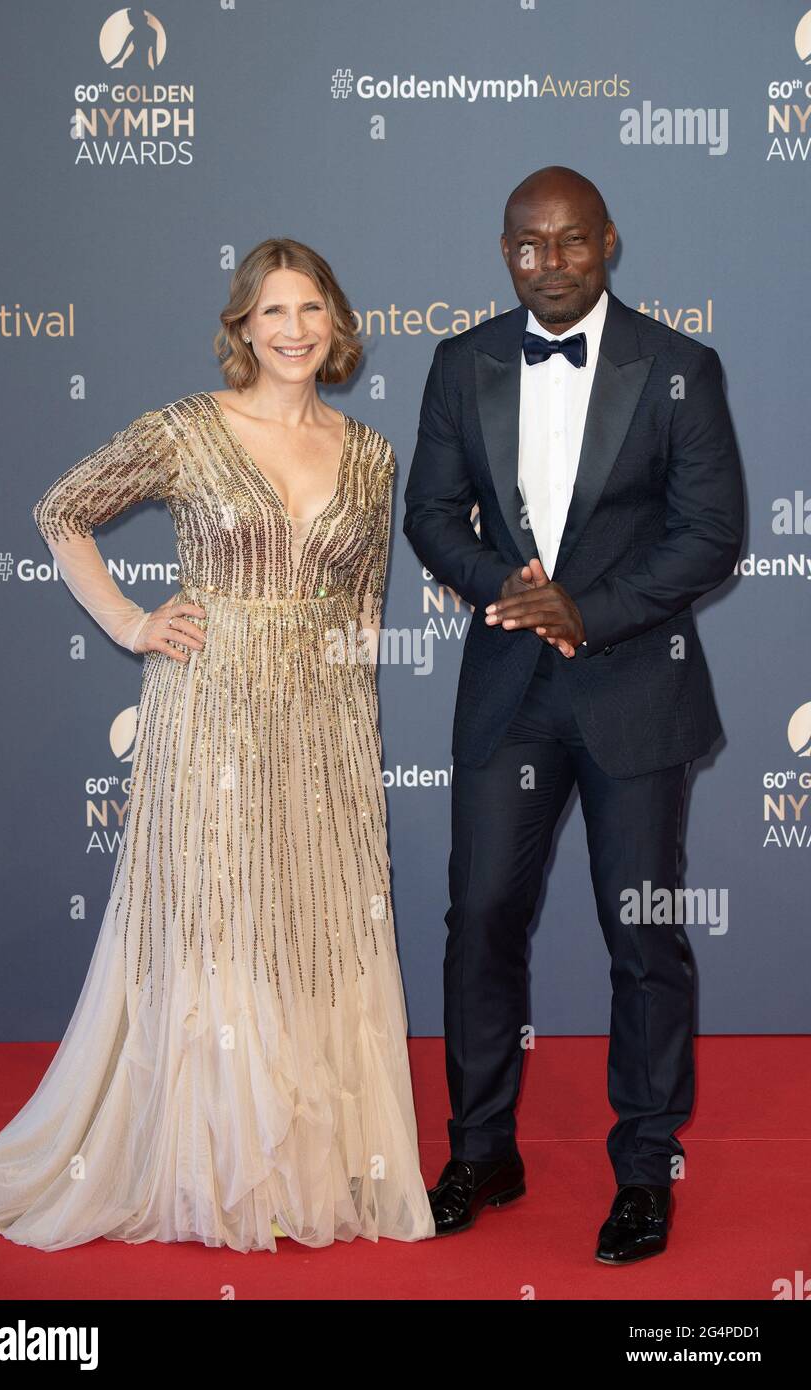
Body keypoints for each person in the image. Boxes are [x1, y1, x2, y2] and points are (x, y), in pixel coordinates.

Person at [0, 238, 434, 1253]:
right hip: (207, 703)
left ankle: (307, 1163)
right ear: (242, 328)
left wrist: (355, 735)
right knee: (218, 912)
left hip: (324, 720)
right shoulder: (187, 428)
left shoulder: (372, 453)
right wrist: (131, 622)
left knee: (307, 921)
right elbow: (60, 511)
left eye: (310, 309)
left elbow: (364, 610)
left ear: (337, 324)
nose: (293, 329)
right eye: (272, 312)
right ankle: (209, 1158)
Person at [403, 166, 743, 1262]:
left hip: (635, 689)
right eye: (526, 247)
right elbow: (427, 511)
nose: (548, 265)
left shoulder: (680, 368)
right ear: (505, 251)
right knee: (480, 924)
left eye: (570, 244)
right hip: (510, 690)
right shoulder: (464, 363)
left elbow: (710, 534)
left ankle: (645, 1168)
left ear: (609, 242)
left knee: (642, 937)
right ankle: (480, 1146)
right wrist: (511, 593)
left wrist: (585, 611)